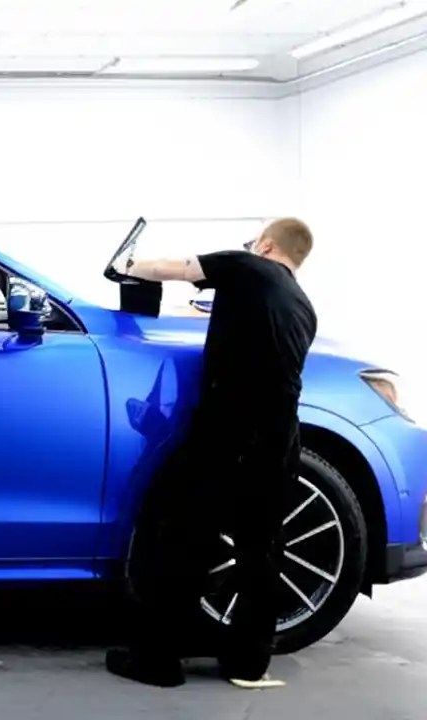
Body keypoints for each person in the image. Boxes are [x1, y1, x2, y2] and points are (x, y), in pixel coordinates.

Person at [105, 218, 318, 688]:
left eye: (252, 243)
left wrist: (129, 265)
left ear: (265, 245)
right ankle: (249, 664)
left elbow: (174, 269)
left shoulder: (246, 266)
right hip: (281, 441)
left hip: (230, 433)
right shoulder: (302, 305)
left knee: (182, 537)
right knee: (261, 550)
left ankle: (157, 663)